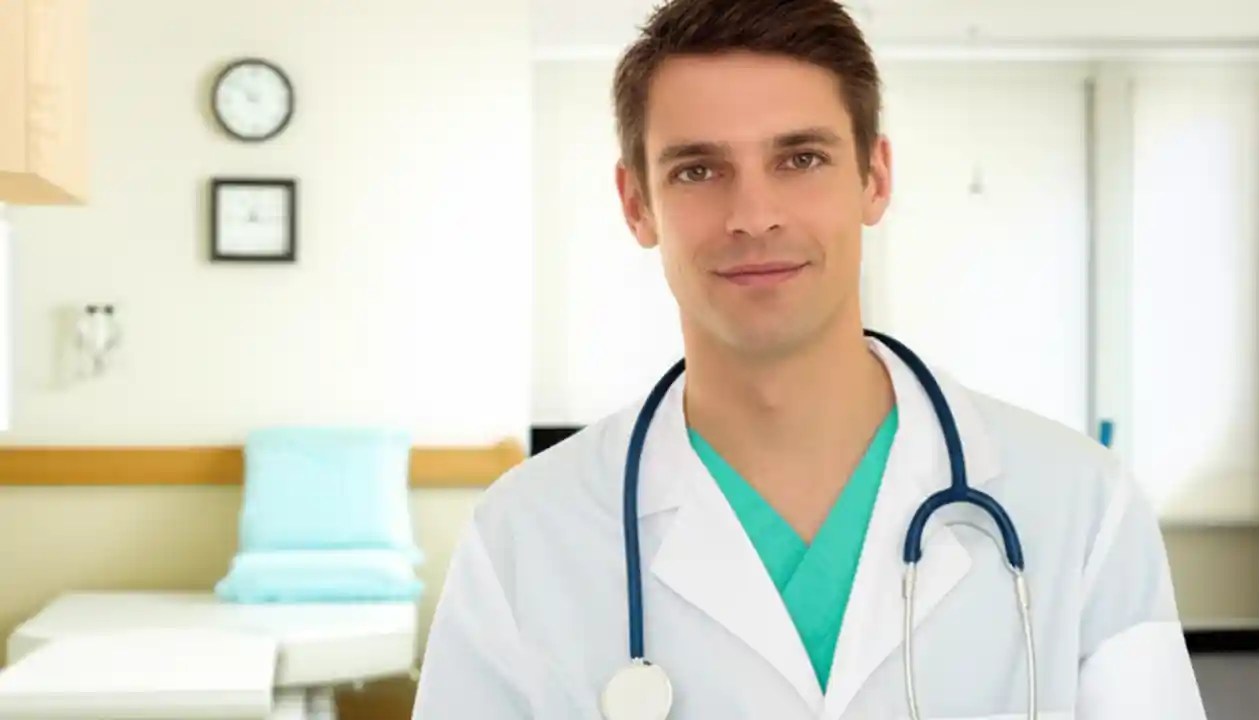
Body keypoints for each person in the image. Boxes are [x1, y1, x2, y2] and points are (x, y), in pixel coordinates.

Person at [412, 0, 1207, 717]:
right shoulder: (525, 536)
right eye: (698, 168)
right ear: (635, 203)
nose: (753, 215)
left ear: (875, 177)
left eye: (801, 159)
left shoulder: (1081, 508)